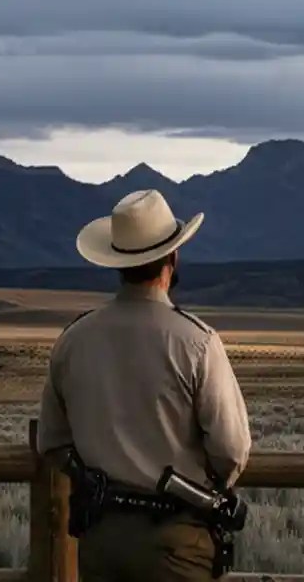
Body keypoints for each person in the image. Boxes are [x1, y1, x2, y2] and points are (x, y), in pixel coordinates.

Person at [36, 189, 252, 582]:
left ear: (117, 263)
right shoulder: (197, 343)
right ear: (173, 257)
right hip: (175, 540)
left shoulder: (74, 339)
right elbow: (231, 451)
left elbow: (52, 443)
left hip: (101, 538)